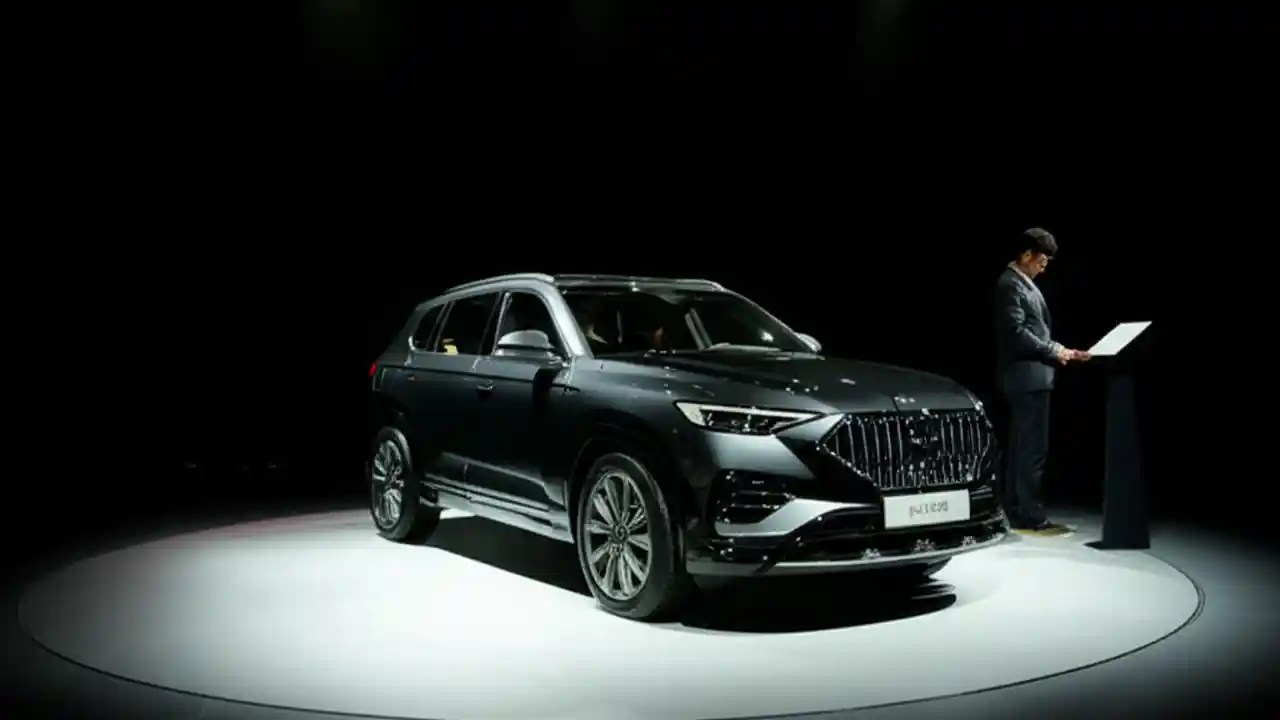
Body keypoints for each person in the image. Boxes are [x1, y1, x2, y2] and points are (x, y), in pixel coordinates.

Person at [993, 227, 1090, 534]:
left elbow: (1034, 331)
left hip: (1030, 378)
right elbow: (1017, 334)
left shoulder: (1022, 284)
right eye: (1042, 259)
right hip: (1026, 379)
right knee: (1031, 449)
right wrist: (1055, 350)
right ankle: (1028, 515)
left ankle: (1017, 510)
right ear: (1025, 254)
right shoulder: (1010, 285)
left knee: (1024, 447)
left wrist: (1065, 351)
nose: (1044, 265)